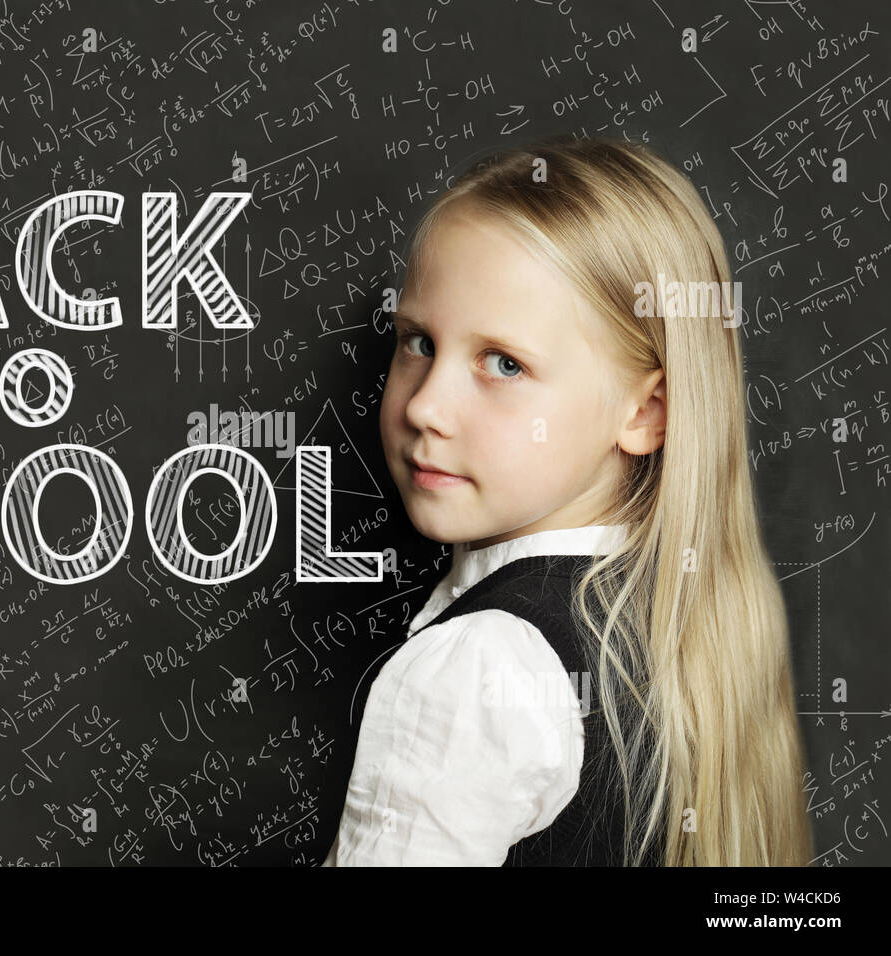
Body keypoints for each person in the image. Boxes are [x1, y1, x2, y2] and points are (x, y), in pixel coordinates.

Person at [323, 135, 813, 866]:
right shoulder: (691, 626)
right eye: (419, 342)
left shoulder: (480, 670)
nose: (426, 407)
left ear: (645, 413)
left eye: (504, 364)